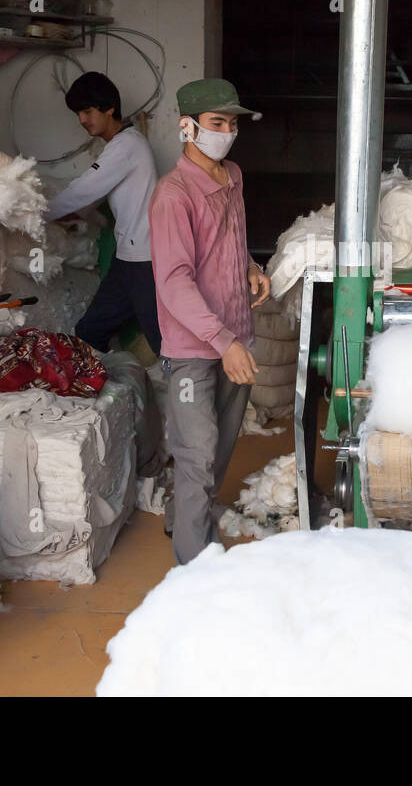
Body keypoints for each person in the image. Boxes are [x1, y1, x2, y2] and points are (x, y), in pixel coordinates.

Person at [148, 78, 270, 563]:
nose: (227, 133)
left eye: (233, 124)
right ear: (188, 126)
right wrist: (223, 340)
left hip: (236, 333)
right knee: (197, 454)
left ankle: (182, 518)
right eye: (217, 123)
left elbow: (228, 242)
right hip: (195, 348)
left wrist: (249, 266)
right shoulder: (172, 195)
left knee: (217, 450)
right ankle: (196, 572)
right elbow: (174, 281)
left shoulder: (232, 176)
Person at [43, 71, 162, 356]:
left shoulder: (126, 146)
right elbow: (89, 196)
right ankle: (89, 389)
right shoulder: (121, 145)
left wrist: (34, 214)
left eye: (88, 111)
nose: (82, 120)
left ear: (110, 109)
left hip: (145, 261)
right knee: (91, 331)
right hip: (128, 259)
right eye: (78, 113)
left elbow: (82, 191)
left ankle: (188, 393)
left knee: (165, 343)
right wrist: (72, 215)